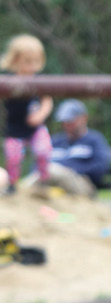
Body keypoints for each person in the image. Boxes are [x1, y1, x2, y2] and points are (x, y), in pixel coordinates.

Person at [2, 34, 53, 195]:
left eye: (36, 61)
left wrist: (40, 115)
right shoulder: (8, 80)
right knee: (13, 157)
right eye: (28, 61)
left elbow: (47, 100)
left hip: (36, 127)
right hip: (14, 129)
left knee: (44, 150)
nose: (32, 66)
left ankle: (43, 182)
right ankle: (12, 185)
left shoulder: (40, 80)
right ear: (15, 60)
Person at [39, 99, 110, 197]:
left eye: (70, 121)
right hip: (52, 183)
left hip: (82, 184)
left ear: (84, 118)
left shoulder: (95, 140)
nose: (66, 125)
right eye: (64, 121)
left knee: (51, 170)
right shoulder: (55, 141)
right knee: (43, 172)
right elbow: (39, 163)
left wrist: (69, 170)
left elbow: (100, 168)